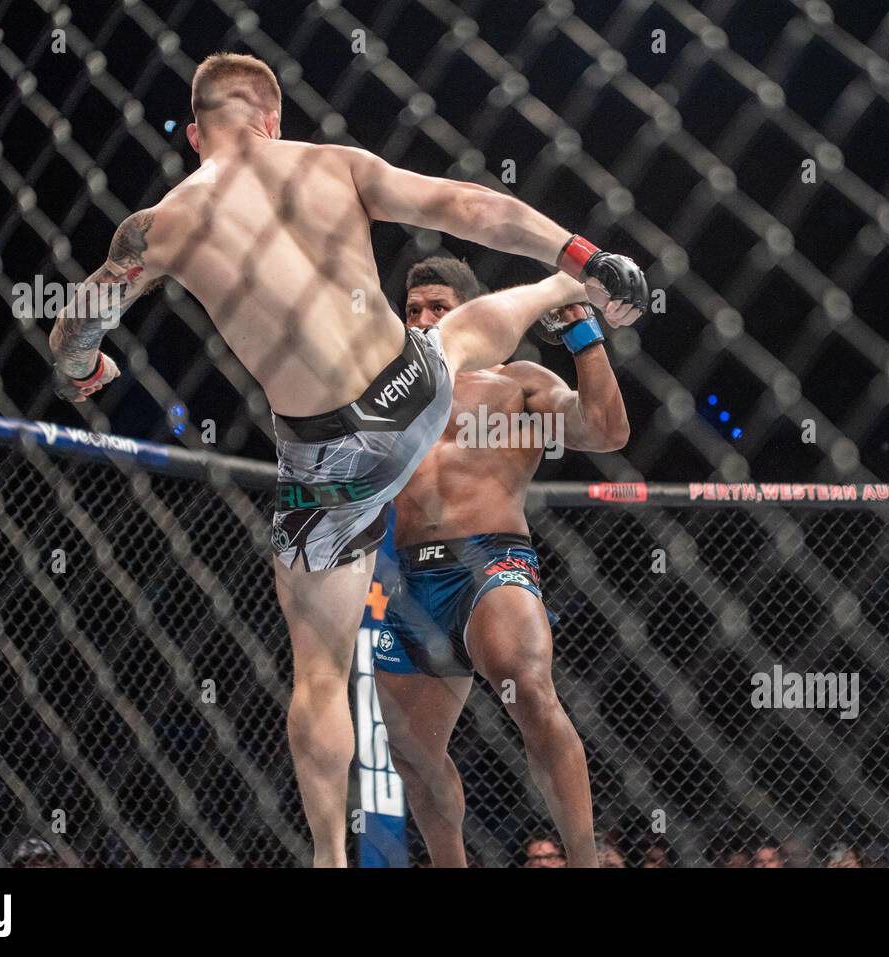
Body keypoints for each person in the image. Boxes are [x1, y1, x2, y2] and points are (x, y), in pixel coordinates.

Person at [45, 53, 649, 867]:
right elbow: (468, 204)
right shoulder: (333, 165)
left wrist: (84, 369)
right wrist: (577, 251)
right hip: (411, 392)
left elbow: (74, 327)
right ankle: (560, 287)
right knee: (456, 339)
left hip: (329, 463)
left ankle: (331, 858)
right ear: (273, 117)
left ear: (194, 134)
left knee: (320, 671)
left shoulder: (159, 226)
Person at [369, 257, 630, 867]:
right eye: (413, 310)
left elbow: (606, 430)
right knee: (413, 756)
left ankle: (584, 862)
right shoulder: (386, 391)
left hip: (490, 563)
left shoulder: (517, 381)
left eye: (439, 307)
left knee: (531, 691)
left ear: (474, 313)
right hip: (409, 579)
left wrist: (583, 335)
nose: (425, 320)